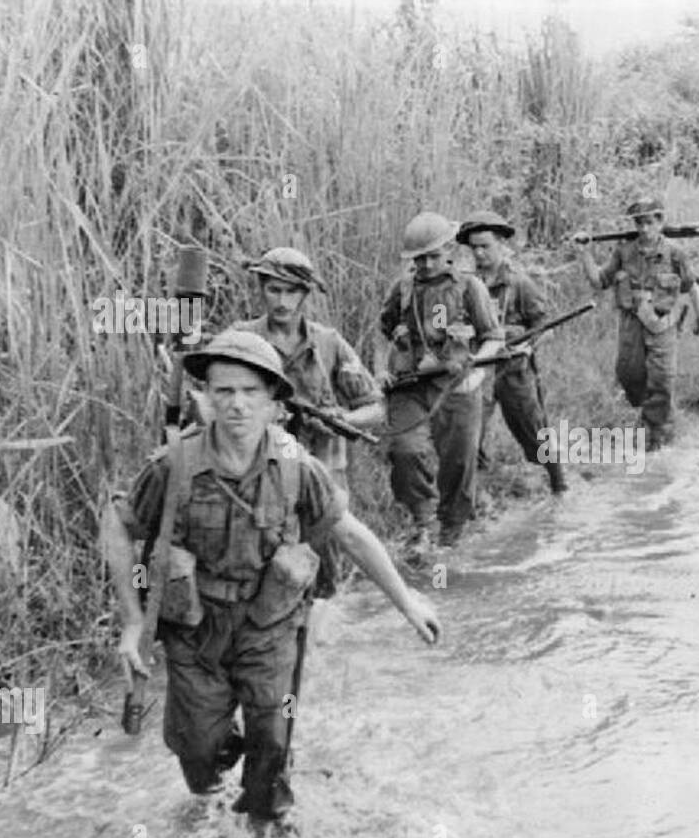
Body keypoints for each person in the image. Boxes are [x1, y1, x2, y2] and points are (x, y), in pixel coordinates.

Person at [102, 330, 440, 826]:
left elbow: (349, 534)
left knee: (272, 742)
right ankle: (217, 795)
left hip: (270, 628)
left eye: (250, 392)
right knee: (197, 751)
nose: (236, 405)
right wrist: (132, 622)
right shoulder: (174, 466)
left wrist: (407, 601)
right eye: (224, 391)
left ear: (273, 403)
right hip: (195, 630)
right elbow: (118, 524)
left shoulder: (297, 468)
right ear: (205, 398)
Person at [210, 247, 386, 599]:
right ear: (261, 289)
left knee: (324, 569)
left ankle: (317, 640)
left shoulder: (328, 343)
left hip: (322, 472)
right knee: (261, 567)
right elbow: (209, 399)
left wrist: (342, 419)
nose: (282, 300)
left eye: (291, 291)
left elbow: (375, 408)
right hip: (257, 474)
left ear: (305, 294)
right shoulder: (241, 340)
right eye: (274, 289)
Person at [378, 212, 505, 552]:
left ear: (449, 250)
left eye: (435, 255)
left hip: (457, 386)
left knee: (459, 462)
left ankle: (451, 531)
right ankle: (422, 521)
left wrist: (475, 371)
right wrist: (382, 369)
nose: (428, 264)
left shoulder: (469, 287)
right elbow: (384, 331)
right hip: (410, 387)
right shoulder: (402, 290)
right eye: (421, 258)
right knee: (405, 451)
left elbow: (494, 337)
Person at [573, 198, 699, 450]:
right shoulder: (624, 252)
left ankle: (657, 435)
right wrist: (585, 253)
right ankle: (648, 416)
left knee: (662, 380)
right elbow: (599, 281)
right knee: (628, 374)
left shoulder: (675, 254)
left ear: (660, 222)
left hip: (662, 327)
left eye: (650, 222)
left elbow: (695, 290)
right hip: (631, 325)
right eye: (640, 223)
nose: (645, 229)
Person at [456, 210, 567, 494]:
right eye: (474, 248)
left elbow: (545, 326)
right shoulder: (464, 284)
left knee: (534, 432)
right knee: (469, 435)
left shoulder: (519, 283)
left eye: (486, 246)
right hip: (480, 371)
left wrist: (527, 345)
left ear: (500, 245)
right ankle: (478, 490)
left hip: (515, 372)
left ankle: (558, 483)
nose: (479, 253)